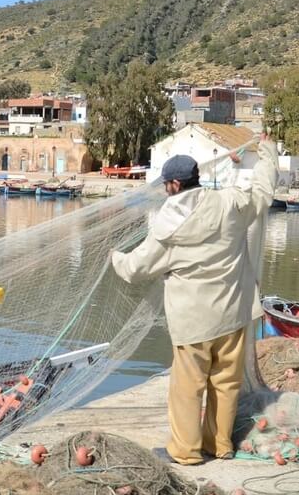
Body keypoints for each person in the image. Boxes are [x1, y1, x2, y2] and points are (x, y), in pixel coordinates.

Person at [111, 137, 278, 464]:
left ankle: (185, 452)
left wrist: (115, 258)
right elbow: (262, 192)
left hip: (194, 321)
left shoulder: (168, 224)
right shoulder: (229, 203)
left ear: (175, 184)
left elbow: (137, 268)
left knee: (187, 388)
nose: (164, 191)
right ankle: (219, 446)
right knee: (226, 384)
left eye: (166, 185)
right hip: (234, 313)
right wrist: (268, 152)